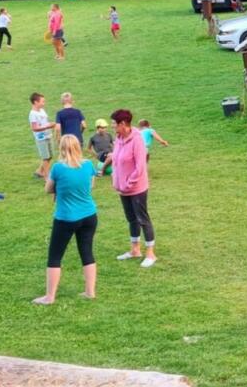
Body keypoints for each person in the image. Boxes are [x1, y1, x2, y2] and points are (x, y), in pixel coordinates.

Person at [33, 134, 98, 304]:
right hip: (89, 215)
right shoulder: (88, 165)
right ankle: (90, 291)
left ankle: (50, 296)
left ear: (61, 148)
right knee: (86, 252)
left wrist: (58, 189)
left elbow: (48, 189)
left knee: (55, 255)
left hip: (66, 218)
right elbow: (90, 185)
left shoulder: (58, 168)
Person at [109, 108, 156, 268]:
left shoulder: (137, 140)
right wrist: (116, 180)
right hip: (122, 188)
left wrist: (129, 183)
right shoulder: (118, 139)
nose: (112, 127)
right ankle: (135, 250)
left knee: (142, 219)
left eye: (114, 124)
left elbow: (140, 166)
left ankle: (150, 253)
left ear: (123, 124)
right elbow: (115, 161)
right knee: (131, 219)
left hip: (136, 188)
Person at [28, 92, 55, 180]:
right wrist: (48, 126)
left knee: (50, 156)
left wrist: (50, 124)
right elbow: (34, 128)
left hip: (48, 135)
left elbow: (45, 121)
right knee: (45, 157)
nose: (44, 103)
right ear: (36, 102)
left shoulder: (42, 111)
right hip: (41, 138)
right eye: (42, 101)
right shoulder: (32, 114)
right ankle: (47, 176)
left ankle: (39, 171)